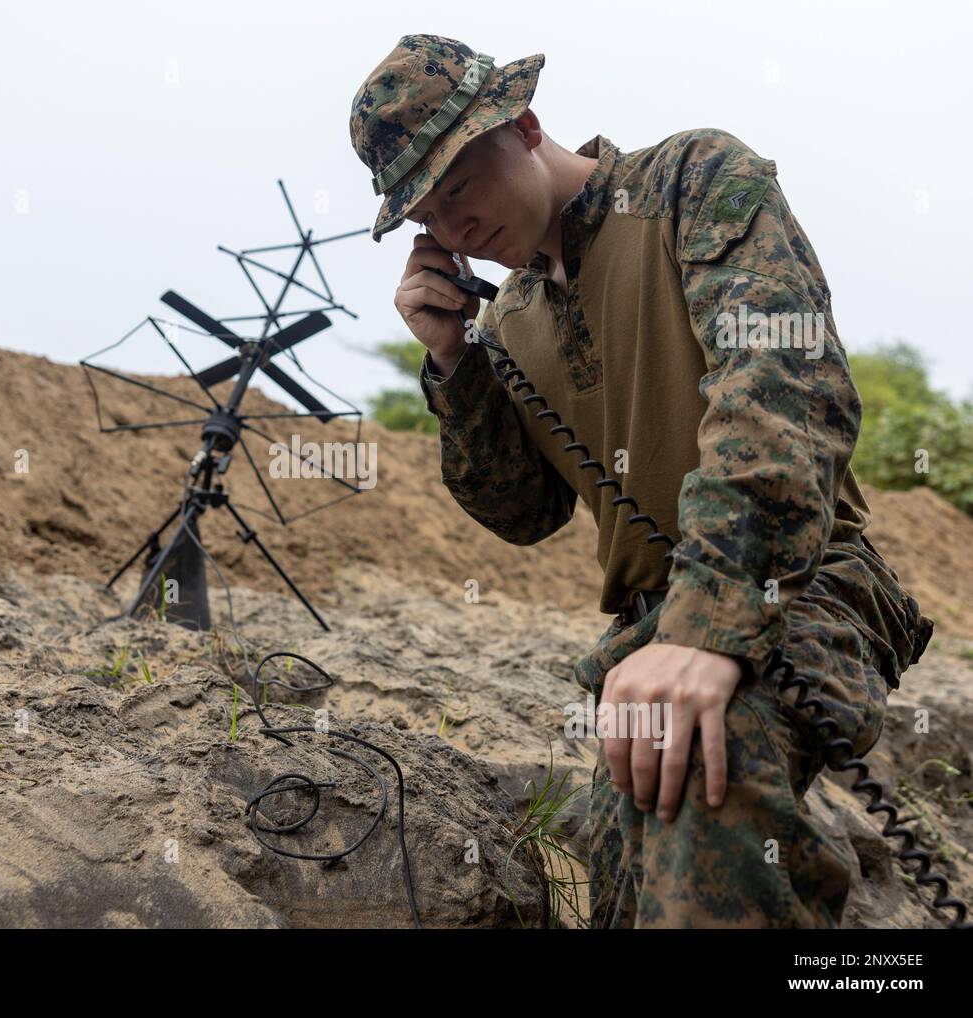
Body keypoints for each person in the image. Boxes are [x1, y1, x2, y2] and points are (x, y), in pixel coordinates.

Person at [349, 33, 935, 927]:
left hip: (802, 580)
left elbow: (781, 394)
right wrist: (456, 365)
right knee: (620, 871)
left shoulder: (693, 181)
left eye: (460, 186)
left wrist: (706, 628)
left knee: (712, 761)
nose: (453, 227)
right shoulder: (504, 319)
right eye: (428, 215)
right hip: (649, 634)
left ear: (525, 123)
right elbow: (521, 512)